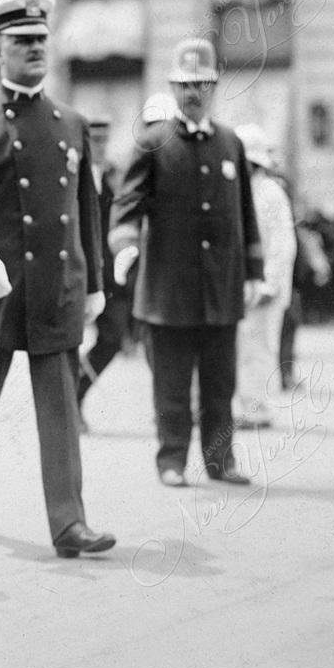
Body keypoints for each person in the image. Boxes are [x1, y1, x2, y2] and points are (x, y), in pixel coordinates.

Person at [0, 0, 114, 557]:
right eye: (21, 42)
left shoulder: (71, 123)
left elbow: (85, 211)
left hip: (55, 287)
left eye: (40, 40)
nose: (35, 50)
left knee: (60, 406)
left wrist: (96, 284)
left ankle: (69, 523)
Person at [110, 37, 266, 488]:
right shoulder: (153, 142)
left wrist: (254, 271)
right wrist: (125, 246)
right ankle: (171, 461)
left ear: (214, 86)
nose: (192, 92)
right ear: (172, 89)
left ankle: (222, 461)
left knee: (220, 384)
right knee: (172, 388)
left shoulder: (231, 142)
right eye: (183, 84)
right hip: (168, 290)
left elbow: (245, 213)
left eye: (201, 83)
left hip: (220, 289)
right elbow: (126, 203)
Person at [232, 124, 296, 429]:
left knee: (259, 348)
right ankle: (247, 404)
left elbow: (283, 245)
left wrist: (270, 282)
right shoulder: (244, 192)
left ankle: (258, 408)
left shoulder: (271, 193)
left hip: (267, 286)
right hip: (247, 284)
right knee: (244, 347)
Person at [76, 117, 133, 431]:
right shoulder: (71, 176)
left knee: (112, 338)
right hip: (78, 274)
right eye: (93, 141)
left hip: (110, 277)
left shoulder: (114, 178)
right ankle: (66, 408)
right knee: (69, 343)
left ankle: (77, 391)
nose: (99, 148)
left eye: (103, 141)